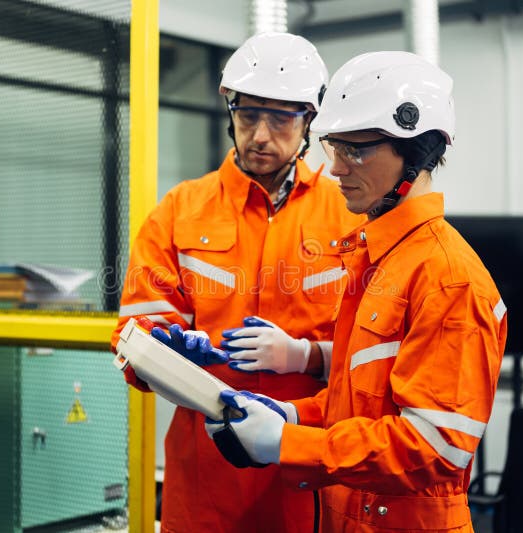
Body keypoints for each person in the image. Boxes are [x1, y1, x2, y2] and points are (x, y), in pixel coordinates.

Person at [202, 51, 509, 532]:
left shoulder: (448, 278)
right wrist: (292, 414)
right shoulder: (378, 259)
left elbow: (436, 447)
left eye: (357, 151)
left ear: (418, 153)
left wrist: (289, 442)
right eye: (333, 148)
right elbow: (359, 404)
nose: (338, 169)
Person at [111, 32, 362, 532]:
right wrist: (167, 354)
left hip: (309, 473)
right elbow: (134, 335)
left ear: (310, 121)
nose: (261, 135)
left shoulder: (350, 216)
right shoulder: (181, 211)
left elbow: (374, 357)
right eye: (249, 115)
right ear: (230, 113)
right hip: (208, 481)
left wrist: (307, 356)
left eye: (281, 118)